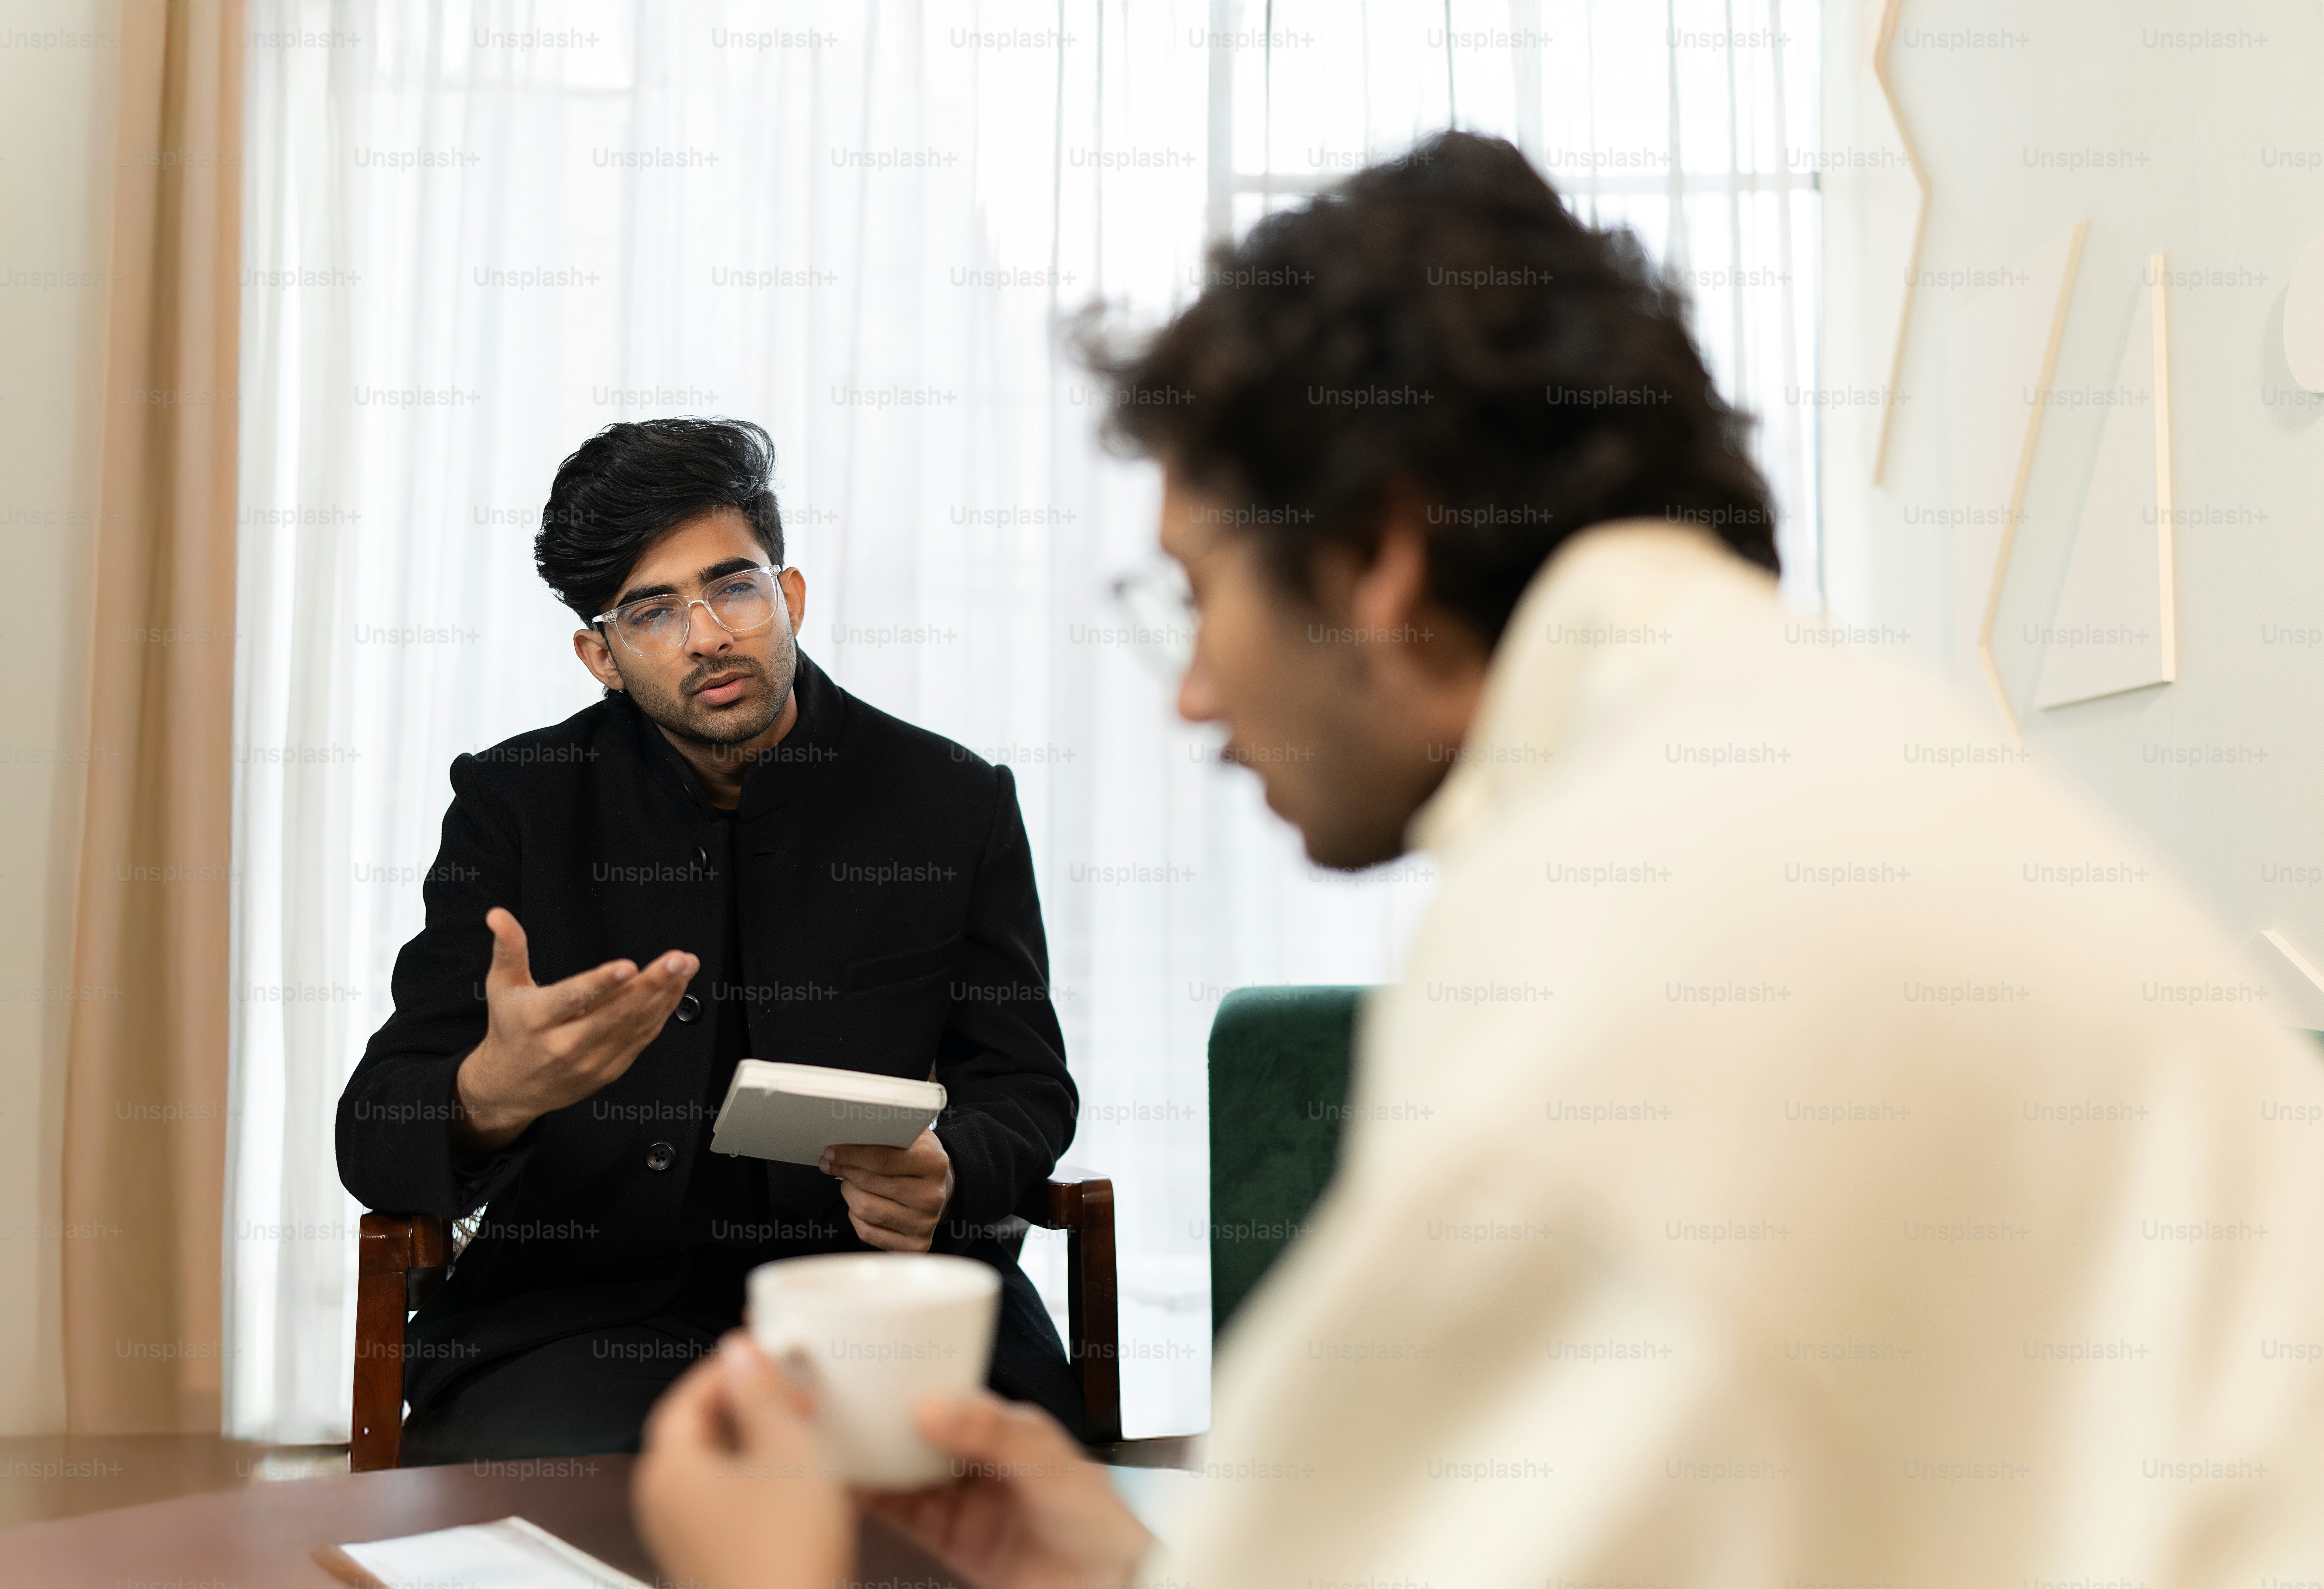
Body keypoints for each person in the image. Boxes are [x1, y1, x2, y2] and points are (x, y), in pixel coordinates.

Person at [628, 133, 2324, 1588]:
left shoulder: (1645, 949)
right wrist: (1142, 1562)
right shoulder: (1819, 767)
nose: (1200, 694)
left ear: (1374, 557)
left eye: (1194, 595)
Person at [335, 418, 1084, 1462]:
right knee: (586, 1514)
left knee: (995, 1509)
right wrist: (491, 1095)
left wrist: (952, 1165)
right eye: (652, 611)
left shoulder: (950, 801)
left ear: (793, 598)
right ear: (600, 655)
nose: (707, 636)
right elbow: (372, 1128)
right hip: (590, 1319)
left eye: (735, 588)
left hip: (884, 1307)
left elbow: (1028, 1089)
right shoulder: (517, 804)